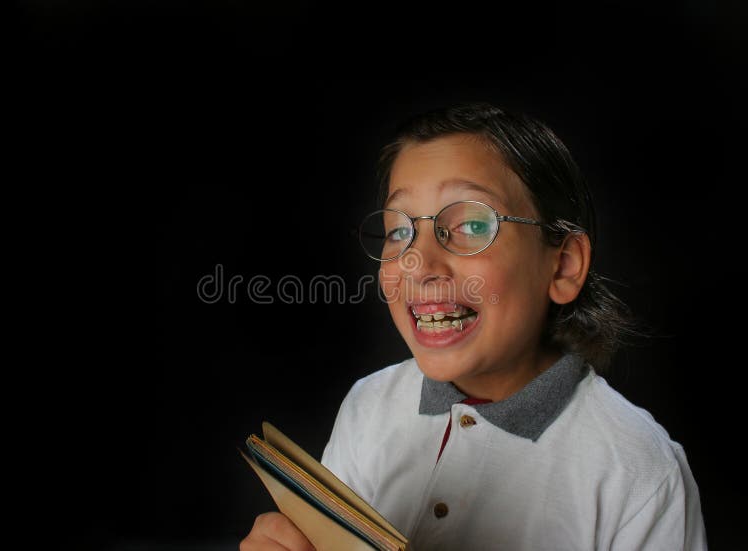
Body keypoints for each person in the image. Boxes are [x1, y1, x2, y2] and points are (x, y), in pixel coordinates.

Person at [240, 101, 707, 550]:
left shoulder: (640, 472)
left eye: (472, 225)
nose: (419, 262)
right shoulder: (369, 409)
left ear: (562, 266)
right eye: (399, 230)